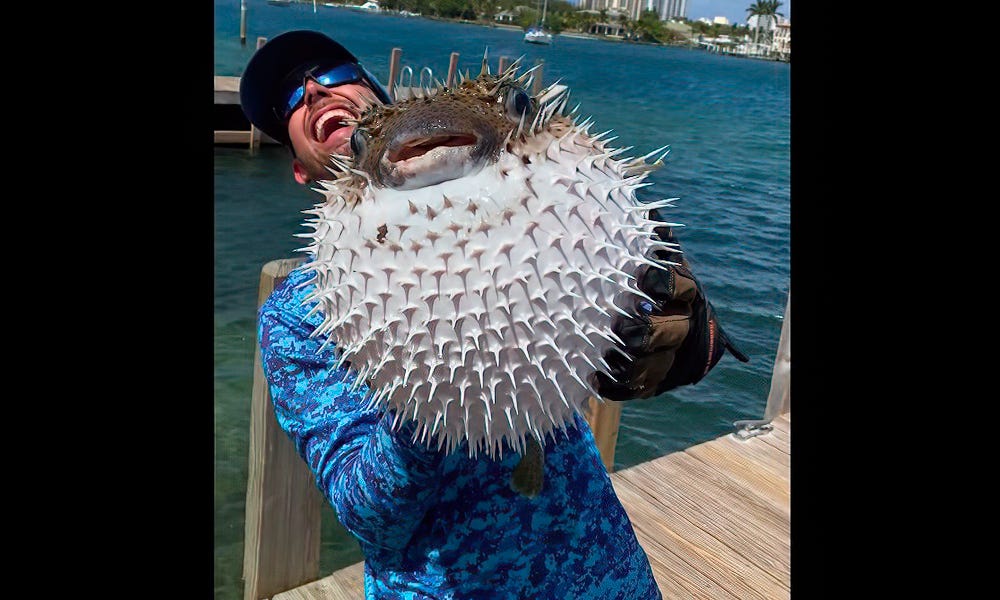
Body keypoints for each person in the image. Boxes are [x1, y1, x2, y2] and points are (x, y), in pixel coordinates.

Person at [240, 30, 748, 599]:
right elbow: (368, 514)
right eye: (290, 101)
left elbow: (615, 327)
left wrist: (669, 326)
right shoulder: (298, 319)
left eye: (333, 75)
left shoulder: (551, 202)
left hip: (604, 573)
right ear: (303, 174)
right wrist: (426, 390)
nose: (312, 91)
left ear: (380, 99)